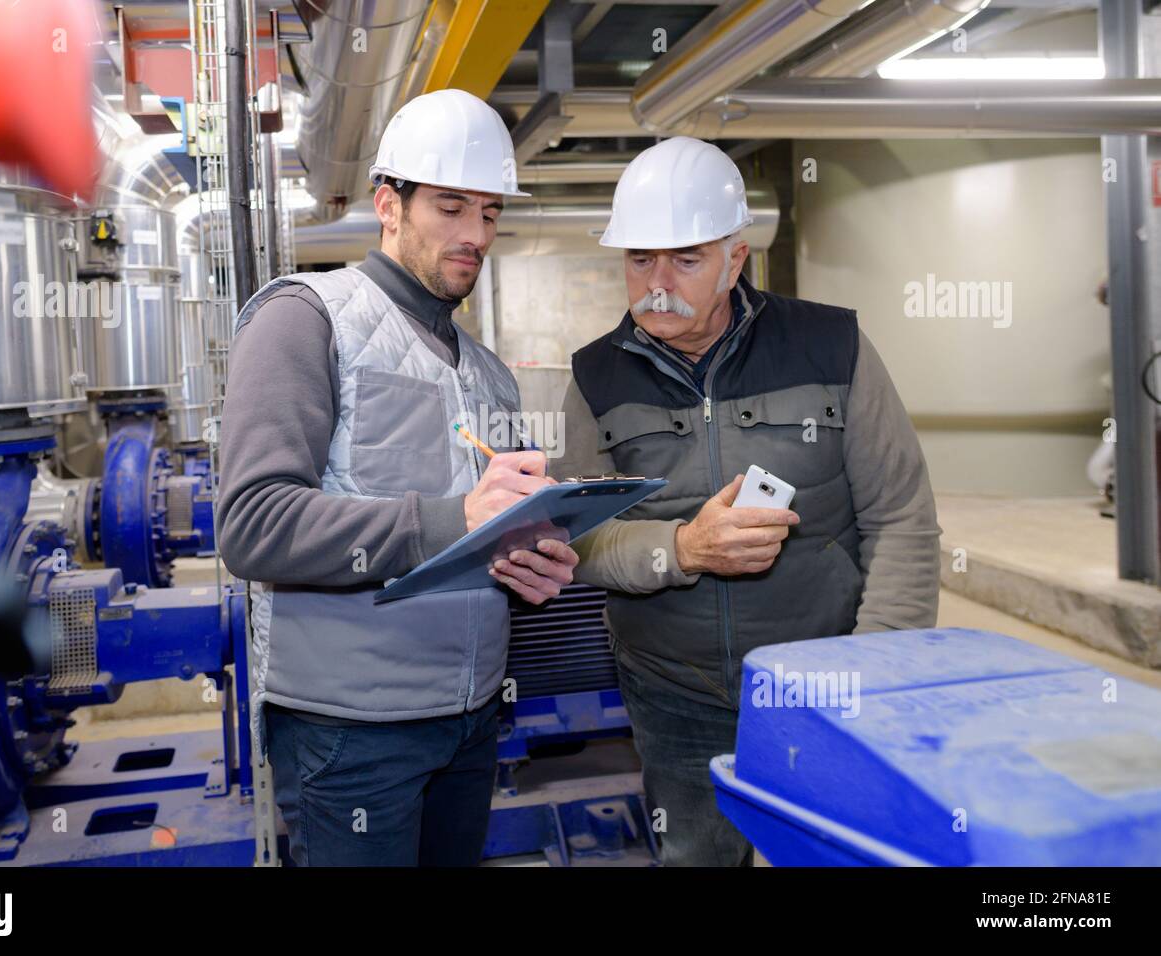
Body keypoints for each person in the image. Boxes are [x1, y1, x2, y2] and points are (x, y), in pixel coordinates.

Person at [550, 136, 942, 866]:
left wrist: (875, 667)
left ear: (736, 260)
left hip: (827, 683)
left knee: (839, 856)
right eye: (640, 259)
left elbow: (902, 518)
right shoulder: (595, 379)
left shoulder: (831, 346)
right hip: (677, 695)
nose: (658, 283)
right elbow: (578, 542)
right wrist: (683, 549)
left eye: (686, 259)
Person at [216, 88, 579, 866]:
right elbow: (252, 524)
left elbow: (484, 526)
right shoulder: (307, 318)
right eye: (451, 207)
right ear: (389, 204)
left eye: (489, 213)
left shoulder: (487, 372)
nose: (475, 234)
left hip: (472, 717)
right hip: (351, 734)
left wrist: (530, 556)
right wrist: (457, 521)